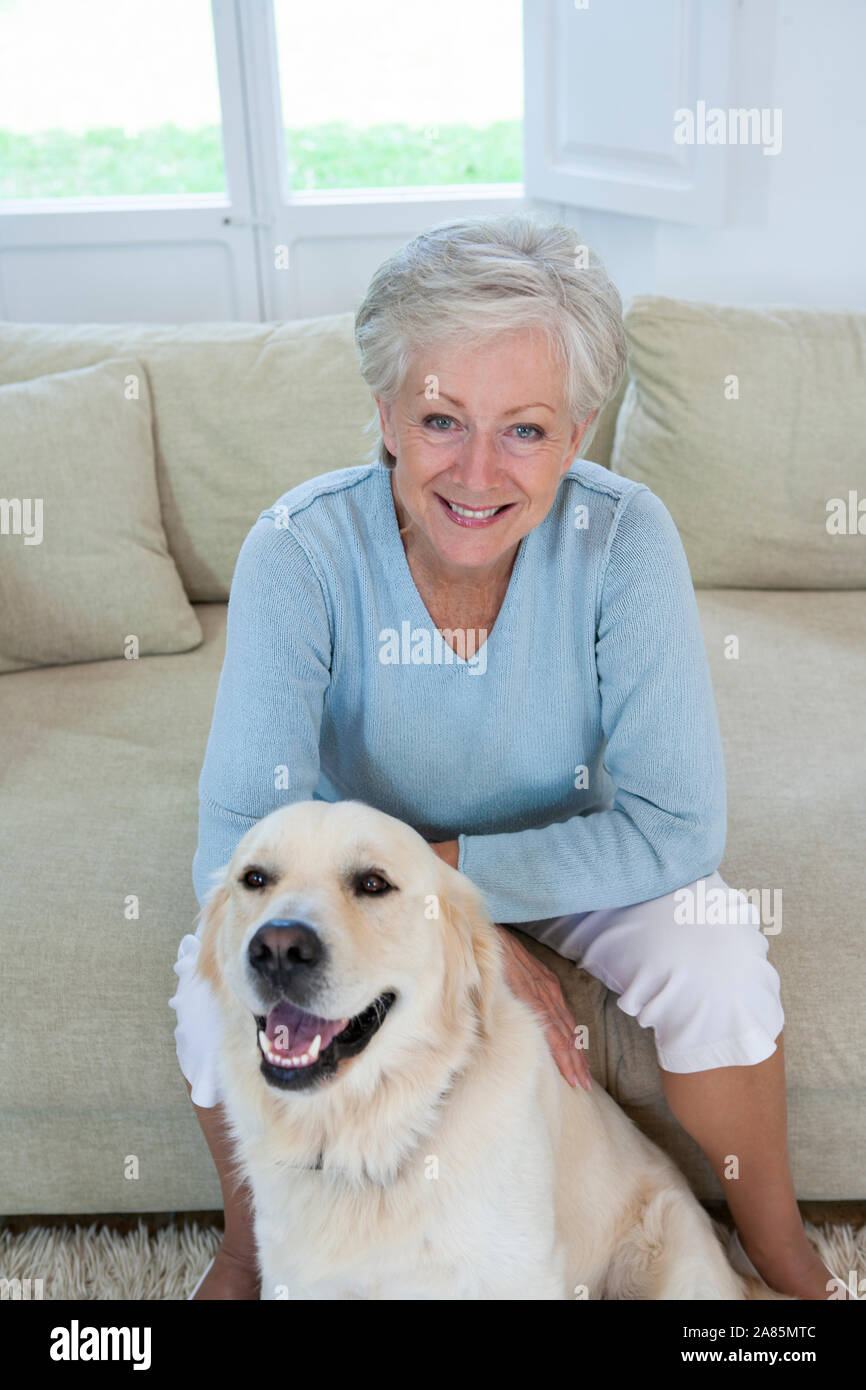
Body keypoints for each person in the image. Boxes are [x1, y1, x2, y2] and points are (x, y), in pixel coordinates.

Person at [170, 212, 839, 1300]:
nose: (477, 471)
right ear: (384, 414)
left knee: (714, 955)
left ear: (576, 433)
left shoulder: (626, 540)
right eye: (440, 418)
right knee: (207, 1002)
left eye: (523, 429)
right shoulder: (298, 548)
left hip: (560, 849)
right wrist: (432, 905)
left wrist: (458, 894)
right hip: (369, 885)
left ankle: (777, 1247)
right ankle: (253, 1251)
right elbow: (233, 837)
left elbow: (676, 826)